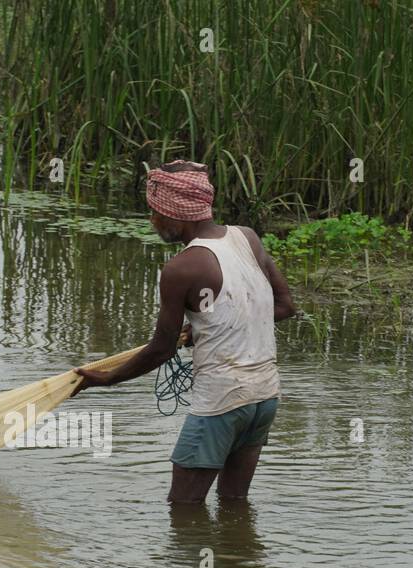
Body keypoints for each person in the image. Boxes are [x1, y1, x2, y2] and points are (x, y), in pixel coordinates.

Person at [72, 161, 296, 502]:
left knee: (183, 510)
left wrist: (103, 379)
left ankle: (195, 556)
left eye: (156, 212)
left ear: (177, 214)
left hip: (221, 402)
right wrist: (207, 329)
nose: (153, 221)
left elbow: (161, 349)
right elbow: (284, 307)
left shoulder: (181, 268)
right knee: (234, 504)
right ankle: (238, 553)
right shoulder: (245, 237)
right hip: (264, 397)